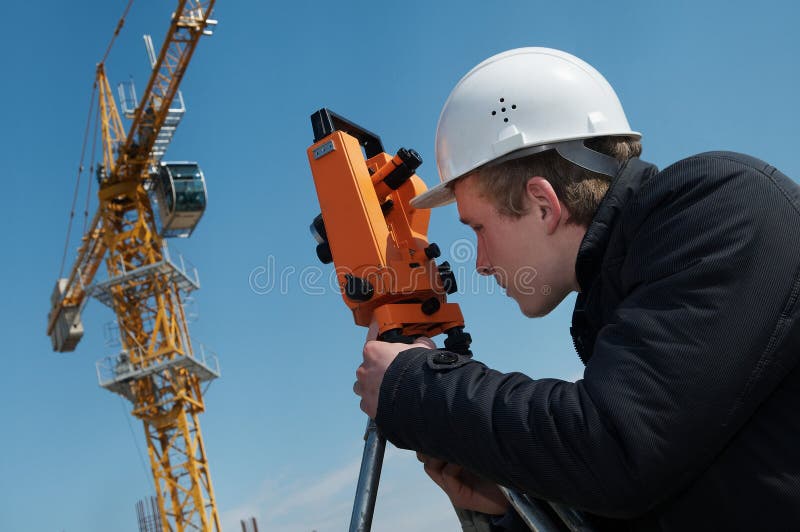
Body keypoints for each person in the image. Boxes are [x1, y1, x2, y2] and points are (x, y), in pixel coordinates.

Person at [353, 47, 800, 531]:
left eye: (478, 227)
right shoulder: (620, 291)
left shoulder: (724, 207)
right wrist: (519, 509)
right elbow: (684, 491)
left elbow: (617, 448)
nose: (479, 263)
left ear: (543, 204)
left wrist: (416, 386)